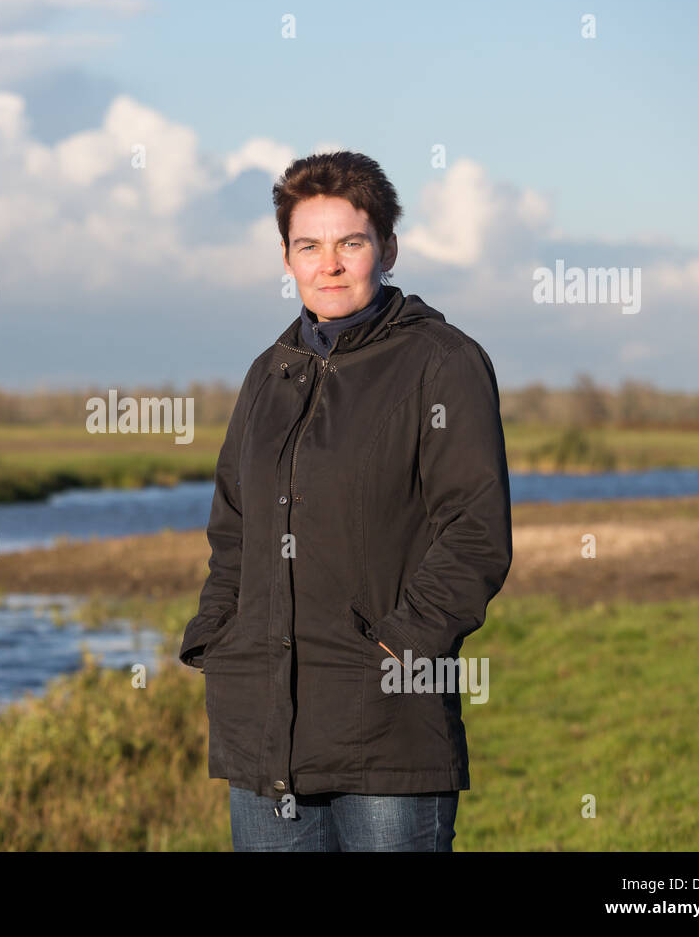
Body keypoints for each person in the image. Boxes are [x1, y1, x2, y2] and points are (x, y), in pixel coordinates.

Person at [179, 151, 513, 851]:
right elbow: (232, 525)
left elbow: (474, 532)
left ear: (386, 248)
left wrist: (399, 648)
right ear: (287, 256)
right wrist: (219, 633)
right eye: (309, 246)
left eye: (349, 243)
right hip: (266, 741)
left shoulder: (442, 363)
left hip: (388, 733)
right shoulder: (269, 374)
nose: (328, 264)